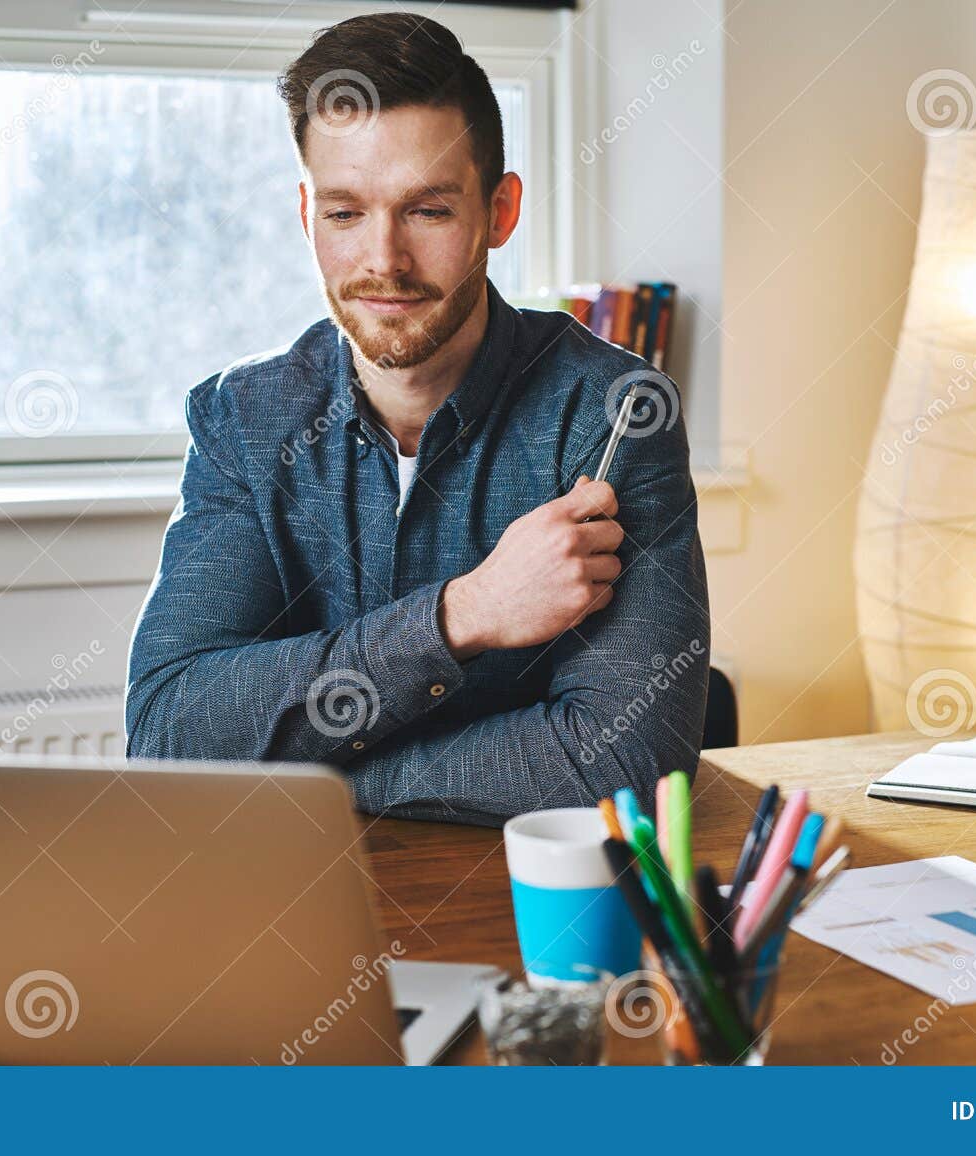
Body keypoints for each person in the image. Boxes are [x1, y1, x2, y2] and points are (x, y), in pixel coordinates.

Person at [125, 11, 709, 826]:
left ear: (499, 213)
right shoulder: (242, 420)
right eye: (345, 213)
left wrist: (317, 780)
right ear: (306, 217)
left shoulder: (613, 417)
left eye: (428, 211)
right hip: (295, 902)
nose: (383, 261)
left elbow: (619, 763)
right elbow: (169, 734)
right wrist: (461, 613)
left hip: (529, 910)